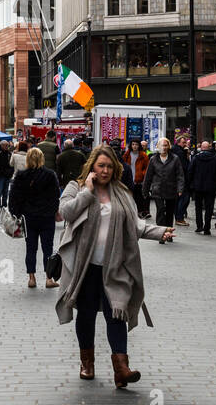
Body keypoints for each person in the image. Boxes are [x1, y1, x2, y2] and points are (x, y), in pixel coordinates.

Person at [55, 144, 174, 386]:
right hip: (86, 266)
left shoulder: (121, 192)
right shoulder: (75, 187)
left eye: (109, 166)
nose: (105, 171)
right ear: (92, 167)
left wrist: (160, 232)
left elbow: (136, 225)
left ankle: (121, 368)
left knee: (116, 314)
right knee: (86, 315)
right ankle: (87, 362)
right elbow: (65, 213)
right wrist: (87, 192)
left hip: (115, 265)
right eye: (101, 166)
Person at [10, 147, 62, 289]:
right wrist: (53, 211)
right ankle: (48, 278)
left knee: (31, 248)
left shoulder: (21, 175)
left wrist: (16, 213)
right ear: (42, 159)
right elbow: (55, 195)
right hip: (46, 217)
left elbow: (14, 196)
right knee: (48, 248)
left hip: (29, 217)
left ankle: (31, 278)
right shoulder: (50, 175)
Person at [142, 137, 184, 237]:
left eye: (166, 145)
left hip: (171, 189)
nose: (164, 148)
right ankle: (160, 234)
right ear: (157, 147)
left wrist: (180, 189)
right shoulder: (153, 159)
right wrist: (145, 190)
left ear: (168, 146)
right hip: (158, 189)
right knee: (160, 210)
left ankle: (168, 233)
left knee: (169, 212)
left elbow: (180, 175)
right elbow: (148, 176)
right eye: (162, 145)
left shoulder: (175, 158)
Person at [187, 141, 216, 235]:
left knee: (198, 207)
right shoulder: (214, 158)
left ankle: (199, 226)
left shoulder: (196, 158)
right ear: (209, 148)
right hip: (211, 187)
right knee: (209, 208)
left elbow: (190, 171)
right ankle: (207, 228)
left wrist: (190, 184)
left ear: (201, 148)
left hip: (198, 186)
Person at [171, 135, 192, 225]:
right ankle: (179, 218)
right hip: (182, 179)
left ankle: (178, 217)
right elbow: (184, 166)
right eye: (183, 142)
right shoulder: (179, 152)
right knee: (184, 198)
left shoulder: (177, 150)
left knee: (179, 199)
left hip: (176, 179)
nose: (185, 144)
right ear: (178, 142)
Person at [129, 140, 150, 218]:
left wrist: (142, 174)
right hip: (130, 179)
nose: (134, 146)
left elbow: (147, 167)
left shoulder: (143, 155)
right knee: (131, 197)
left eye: (136, 144)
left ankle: (140, 212)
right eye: (133, 144)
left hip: (139, 180)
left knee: (139, 197)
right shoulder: (127, 154)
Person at [0, 140, 14, 210]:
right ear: (1, 145)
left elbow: (12, 165)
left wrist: (10, 173)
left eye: (7, 145)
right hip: (0, 175)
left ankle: (4, 206)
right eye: (5, 145)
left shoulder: (9, 153)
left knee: (5, 192)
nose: (7, 147)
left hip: (7, 175)